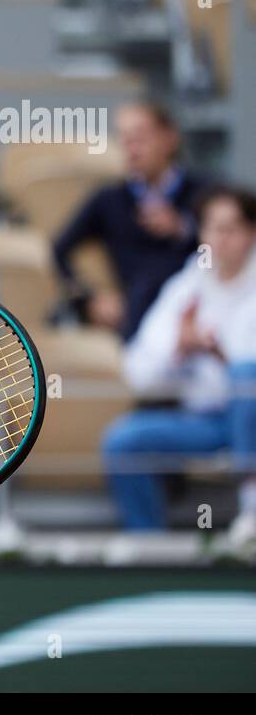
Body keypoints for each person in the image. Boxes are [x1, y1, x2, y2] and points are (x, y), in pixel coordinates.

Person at [102, 186, 256, 538]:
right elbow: (137, 372)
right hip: (206, 423)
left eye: (231, 228)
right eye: (213, 228)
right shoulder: (185, 287)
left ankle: (252, 509)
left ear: (251, 233)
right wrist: (179, 347)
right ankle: (149, 545)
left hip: (251, 421)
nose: (221, 239)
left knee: (247, 380)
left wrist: (222, 357)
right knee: (123, 441)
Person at [53, 102, 209, 341]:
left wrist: (183, 228)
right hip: (136, 316)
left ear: (169, 138)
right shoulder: (109, 200)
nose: (132, 148)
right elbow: (58, 251)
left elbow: (234, 244)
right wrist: (89, 299)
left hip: (199, 310)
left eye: (140, 137)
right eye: (124, 138)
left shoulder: (205, 194)